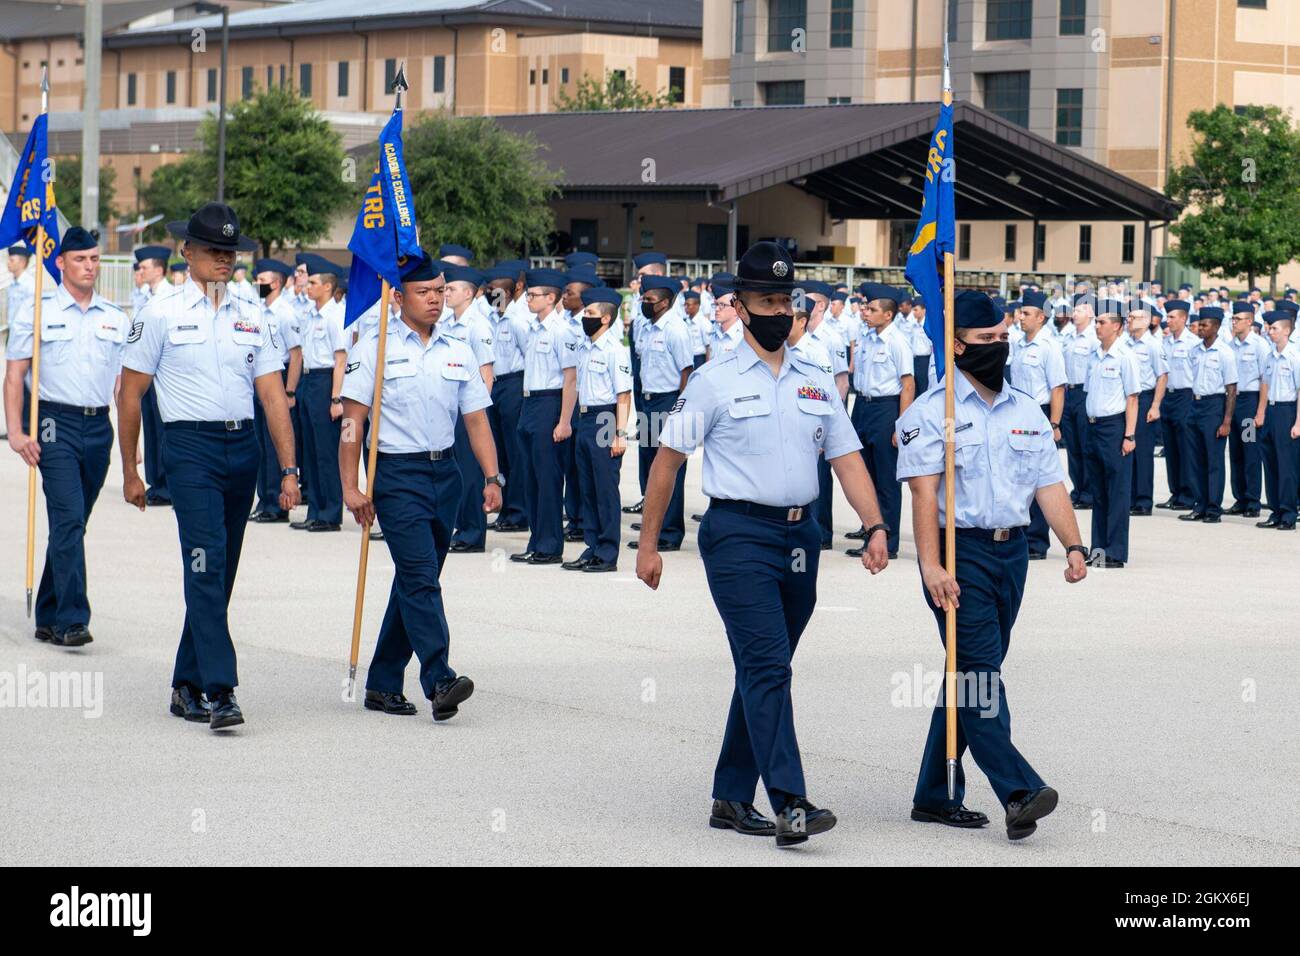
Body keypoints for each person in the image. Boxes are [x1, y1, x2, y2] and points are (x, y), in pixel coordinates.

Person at [637, 241, 890, 848]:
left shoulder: (814, 378)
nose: (778, 310)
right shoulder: (713, 381)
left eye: (785, 299)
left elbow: (847, 455)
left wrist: (877, 525)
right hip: (737, 535)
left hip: (802, 535)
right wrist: (648, 545)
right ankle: (791, 802)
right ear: (742, 308)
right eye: (765, 300)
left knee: (763, 668)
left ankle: (729, 795)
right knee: (769, 665)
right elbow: (667, 463)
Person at [897, 289, 1088, 841]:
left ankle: (934, 795)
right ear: (956, 345)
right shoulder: (933, 412)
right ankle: (1018, 787)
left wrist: (1074, 546)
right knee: (981, 672)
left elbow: (1050, 485)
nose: (998, 348)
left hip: (1013, 554)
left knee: (968, 675)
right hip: (959, 554)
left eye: (1003, 338)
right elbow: (922, 496)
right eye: (985, 340)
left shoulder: (1026, 409)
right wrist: (929, 567)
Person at [117, 202, 299, 731]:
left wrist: (288, 470)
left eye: (232, 251)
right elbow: (130, 395)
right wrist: (132, 470)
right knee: (204, 562)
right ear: (187, 252)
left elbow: (272, 396)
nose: (225, 259)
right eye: (214, 250)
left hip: (243, 451)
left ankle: (184, 682)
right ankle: (221, 690)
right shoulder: (159, 312)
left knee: (220, 571)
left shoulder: (252, 313)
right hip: (189, 449)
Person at [339, 251, 501, 722]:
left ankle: (383, 683)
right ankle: (439, 678)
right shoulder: (375, 347)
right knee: (420, 576)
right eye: (424, 292)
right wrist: (351, 487)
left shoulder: (458, 347)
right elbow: (352, 423)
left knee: (416, 580)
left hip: (446, 474)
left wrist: (491, 477)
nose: (435, 299)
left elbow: (476, 419)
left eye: (441, 290)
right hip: (396, 475)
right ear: (397, 297)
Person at [4, 228, 124, 647]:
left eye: (94, 259)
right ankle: (73, 618)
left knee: (71, 524)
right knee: (69, 518)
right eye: (80, 259)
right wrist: (16, 432)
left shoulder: (115, 315)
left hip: (98, 426)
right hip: (54, 421)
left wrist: (132, 446)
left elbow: (122, 387)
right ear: (61, 263)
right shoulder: (36, 311)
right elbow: (15, 374)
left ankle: (48, 611)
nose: (90, 266)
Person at [510, 267, 578, 565]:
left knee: (548, 477)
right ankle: (536, 540)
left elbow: (570, 378)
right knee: (530, 477)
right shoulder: (534, 328)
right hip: (530, 404)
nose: (528, 299)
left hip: (550, 404)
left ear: (551, 298)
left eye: (534, 295)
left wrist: (564, 421)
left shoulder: (562, 331)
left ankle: (550, 545)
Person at [563, 287, 632, 572]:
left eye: (590, 313)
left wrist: (621, 434)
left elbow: (624, 396)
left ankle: (607, 552)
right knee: (587, 487)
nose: (585, 317)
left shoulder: (615, 350)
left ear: (605, 319)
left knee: (604, 489)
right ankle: (592, 546)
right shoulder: (585, 346)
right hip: (584, 417)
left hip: (605, 419)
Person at [847, 282, 914, 559]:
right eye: (865, 307)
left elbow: (908, 384)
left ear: (888, 314)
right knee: (865, 476)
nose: (865, 312)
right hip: (863, 406)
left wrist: (901, 424)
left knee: (886, 480)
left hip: (886, 409)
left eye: (872, 309)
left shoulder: (897, 342)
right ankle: (870, 531)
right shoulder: (867, 337)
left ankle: (890, 540)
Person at [628, 275, 693, 552]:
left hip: (667, 402)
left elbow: (686, 372)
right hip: (647, 400)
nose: (644, 303)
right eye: (643, 299)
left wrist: (678, 409)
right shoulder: (648, 327)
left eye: (649, 300)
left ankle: (670, 532)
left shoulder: (675, 329)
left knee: (667, 468)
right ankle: (651, 526)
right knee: (647, 467)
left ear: (665, 302)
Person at [439, 264, 497, 554]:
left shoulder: (478, 325)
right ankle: (460, 526)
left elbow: (487, 374)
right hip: (452, 407)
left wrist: (475, 411)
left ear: (469, 293)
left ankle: (473, 532)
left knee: (473, 472)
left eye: (451, 288)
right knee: (458, 470)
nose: (445, 293)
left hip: (469, 409)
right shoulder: (449, 323)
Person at [1008, 290, 1066, 557]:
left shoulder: (1049, 346)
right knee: (1018, 475)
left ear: (1041, 317)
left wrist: (1054, 423)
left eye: (1027, 313)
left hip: (1040, 413)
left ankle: (1037, 541)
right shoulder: (1019, 343)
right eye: (1021, 312)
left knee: (1039, 476)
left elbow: (1057, 388)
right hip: (1017, 412)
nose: (1021, 317)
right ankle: (1021, 532)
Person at [1081, 303, 1140, 568]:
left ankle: (1115, 551)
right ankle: (1098, 548)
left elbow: (1132, 398)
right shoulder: (1094, 355)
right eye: (1096, 322)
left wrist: (1129, 435)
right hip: (1093, 426)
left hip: (1115, 427)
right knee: (1099, 492)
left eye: (1102, 322)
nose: (1097, 326)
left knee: (1116, 491)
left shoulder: (1125, 356)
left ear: (1116, 326)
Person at [294, 253, 348, 532]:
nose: (307, 286)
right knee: (311, 451)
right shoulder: (310, 314)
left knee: (327, 452)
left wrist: (336, 398)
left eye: (312, 282)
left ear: (327, 286)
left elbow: (341, 359)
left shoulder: (334, 316)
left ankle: (330, 512)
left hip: (327, 382)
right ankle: (314, 509)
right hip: (309, 381)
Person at [248, 258, 303, 522]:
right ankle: (265, 499)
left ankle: (277, 504)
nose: (258, 284)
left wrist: (289, 391)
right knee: (261, 445)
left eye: (263, 281)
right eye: (257, 280)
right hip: (260, 376)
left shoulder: (285, 312)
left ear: (277, 283)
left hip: (278, 377)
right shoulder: (259, 310)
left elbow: (296, 355)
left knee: (274, 446)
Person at [481, 264, 531, 533]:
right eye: (489, 290)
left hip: (514, 383)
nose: (493, 295)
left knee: (514, 451)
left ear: (513, 291)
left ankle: (518, 511)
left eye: (497, 291)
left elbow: (529, 357)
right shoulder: (491, 317)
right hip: (495, 385)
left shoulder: (518, 320)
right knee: (498, 451)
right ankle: (505, 508)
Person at [1180, 308, 1238, 523]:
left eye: (1204, 325)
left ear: (1216, 327)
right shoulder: (1194, 351)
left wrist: (1226, 421)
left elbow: (1231, 389)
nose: (1200, 328)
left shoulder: (1225, 352)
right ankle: (1199, 505)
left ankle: (1213, 508)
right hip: (1195, 405)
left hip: (1215, 406)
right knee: (1195, 460)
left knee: (1213, 461)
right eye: (1199, 325)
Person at [133, 245, 174, 505]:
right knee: (150, 427)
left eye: (144, 266)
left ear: (158, 270)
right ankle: (155, 482)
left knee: (163, 429)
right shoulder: (145, 295)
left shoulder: (170, 296)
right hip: (146, 369)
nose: (140, 270)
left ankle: (167, 484)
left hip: (163, 372)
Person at [1226, 301, 1270, 517]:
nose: (1234, 322)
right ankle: (1240, 498)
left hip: (1249, 403)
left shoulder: (1259, 345)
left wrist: (1260, 411)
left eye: (1237, 319)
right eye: (1232, 319)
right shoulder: (1230, 344)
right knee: (1235, 452)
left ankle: (1253, 501)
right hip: (1232, 402)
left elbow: (1265, 380)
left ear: (1249, 321)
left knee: (1250, 450)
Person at [1257, 311, 1300, 530]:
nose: (1269, 331)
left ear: (1286, 330)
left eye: (1273, 328)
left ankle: (1288, 514)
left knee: (1287, 467)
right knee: (1270, 464)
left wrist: (1298, 422)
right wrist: (1261, 412)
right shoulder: (1269, 355)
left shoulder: (1294, 355)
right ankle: (1275, 511)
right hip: (1271, 412)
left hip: (1287, 411)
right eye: (1268, 327)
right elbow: (1264, 384)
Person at [1123, 308, 1168, 516]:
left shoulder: (1152, 345)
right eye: (1129, 317)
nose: (1130, 320)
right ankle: (1130, 497)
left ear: (1147, 321)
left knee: (1142, 452)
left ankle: (1143, 500)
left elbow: (1162, 376)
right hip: (1126, 399)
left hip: (1145, 398)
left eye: (1135, 317)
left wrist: (1155, 405)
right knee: (1126, 450)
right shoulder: (1126, 342)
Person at [1156, 299, 1199, 510]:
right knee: (1171, 447)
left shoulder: (1193, 343)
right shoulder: (1165, 342)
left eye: (1172, 317)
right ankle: (1176, 493)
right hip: (1168, 396)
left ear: (1183, 318)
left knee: (1185, 447)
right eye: (1168, 316)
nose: (1168, 321)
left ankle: (1189, 494)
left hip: (1185, 395)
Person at [1060, 296, 1098, 508]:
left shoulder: (1094, 338)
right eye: (1074, 310)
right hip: (1069, 392)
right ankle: (1078, 489)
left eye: (1080, 310)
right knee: (1073, 447)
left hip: (1085, 392)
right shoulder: (1068, 337)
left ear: (1091, 313)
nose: (1075, 314)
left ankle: (1089, 492)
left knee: (1085, 445)